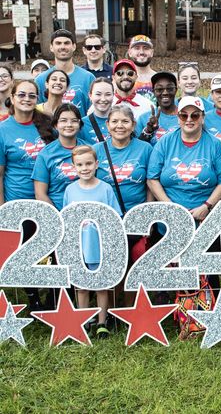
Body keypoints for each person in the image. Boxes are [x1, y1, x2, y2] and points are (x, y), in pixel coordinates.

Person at [0, 80, 55, 311]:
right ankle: (33, 299)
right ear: (12, 98)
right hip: (18, 200)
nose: (26, 99)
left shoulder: (47, 125)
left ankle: (53, 296)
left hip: (48, 198)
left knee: (50, 250)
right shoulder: (3, 130)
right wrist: (2, 206)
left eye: (32, 95)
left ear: (37, 99)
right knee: (24, 252)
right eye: (21, 94)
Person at [63, 145, 121, 338]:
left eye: (88, 163)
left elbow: (114, 218)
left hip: (99, 247)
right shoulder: (70, 190)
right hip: (79, 248)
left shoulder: (105, 189)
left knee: (101, 285)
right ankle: (85, 320)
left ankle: (102, 322)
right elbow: (66, 220)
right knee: (81, 287)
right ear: (74, 167)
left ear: (96, 164)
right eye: (80, 165)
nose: (85, 168)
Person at [147, 96, 221, 227]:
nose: (189, 119)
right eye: (183, 115)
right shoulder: (165, 142)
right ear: (178, 118)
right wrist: (171, 207)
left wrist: (207, 206)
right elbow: (152, 179)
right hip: (170, 218)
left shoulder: (215, 145)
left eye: (195, 115)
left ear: (203, 118)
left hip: (206, 219)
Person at [94, 105, 153, 212]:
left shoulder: (145, 149)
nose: (119, 126)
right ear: (107, 125)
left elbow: (151, 182)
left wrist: (148, 211)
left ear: (133, 125)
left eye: (125, 121)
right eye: (114, 121)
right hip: (105, 213)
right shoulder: (96, 150)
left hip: (138, 213)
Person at [33, 104, 88, 209]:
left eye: (74, 121)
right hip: (56, 211)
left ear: (79, 124)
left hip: (86, 211)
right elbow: (40, 194)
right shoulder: (45, 154)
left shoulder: (90, 149)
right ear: (55, 125)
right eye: (63, 120)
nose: (69, 124)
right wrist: (57, 216)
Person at [34, 29, 95, 113]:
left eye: (66, 43)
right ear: (51, 47)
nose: (62, 47)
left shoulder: (88, 78)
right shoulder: (40, 80)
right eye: (58, 43)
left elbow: (93, 112)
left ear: (74, 46)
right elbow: (35, 112)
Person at [137, 72, 180, 144]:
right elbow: (136, 147)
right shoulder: (144, 118)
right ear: (153, 91)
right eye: (159, 89)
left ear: (176, 90)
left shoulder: (186, 117)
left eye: (170, 88)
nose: (165, 92)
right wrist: (148, 131)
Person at [80, 78, 114, 144]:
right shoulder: (82, 124)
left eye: (108, 94)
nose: (103, 99)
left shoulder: (121, 122)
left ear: (113, 95)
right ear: (90, 96)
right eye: (98, 94)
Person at [125, 35, 156, 101]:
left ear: (152, 53)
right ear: (130, 52)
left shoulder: (159, 79)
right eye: (137, 48)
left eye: (146, 48)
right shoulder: (121, 79)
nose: (141, 52)